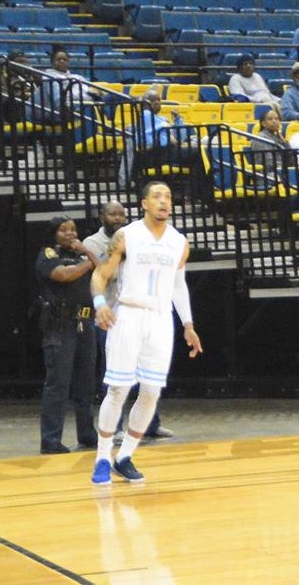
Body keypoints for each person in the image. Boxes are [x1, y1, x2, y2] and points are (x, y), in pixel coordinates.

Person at [89, 181, 202, 484]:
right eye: (157, 196)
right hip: (128, 313)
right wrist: (100, 303)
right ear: (144, 204)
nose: (164, 201)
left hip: (161, 319)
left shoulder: (180, 242)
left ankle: (124, 456)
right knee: (118, 389)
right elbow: (100, 274)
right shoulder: (127, 235)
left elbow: (178, 285)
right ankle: (102, 456)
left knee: (151, 391)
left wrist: (188, 324)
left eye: (168, 196)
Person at [82, 201, 171, 443]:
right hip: (109, 315)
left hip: (139, 315)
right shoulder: (92, 243)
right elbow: (100, 274)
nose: (118, 218)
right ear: (102, 216)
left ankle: (151, 424)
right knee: (115, 375)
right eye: (112, 214)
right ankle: (116, 427)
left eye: (121, 214)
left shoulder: (133, 239)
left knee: (148, 371)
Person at [36, 216, 98, 454]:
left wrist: (87, 252)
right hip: (60, 325)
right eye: (64, 230)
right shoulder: (48, 254)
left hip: (85, 322)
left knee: (86, 383)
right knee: (58, 384)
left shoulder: (81, 254)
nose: (70, 234)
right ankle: (51, 440)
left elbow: (104, 270)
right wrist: (88, 263)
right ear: (54, 234)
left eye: (73, 229)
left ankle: (87, 433)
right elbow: (63, 275)